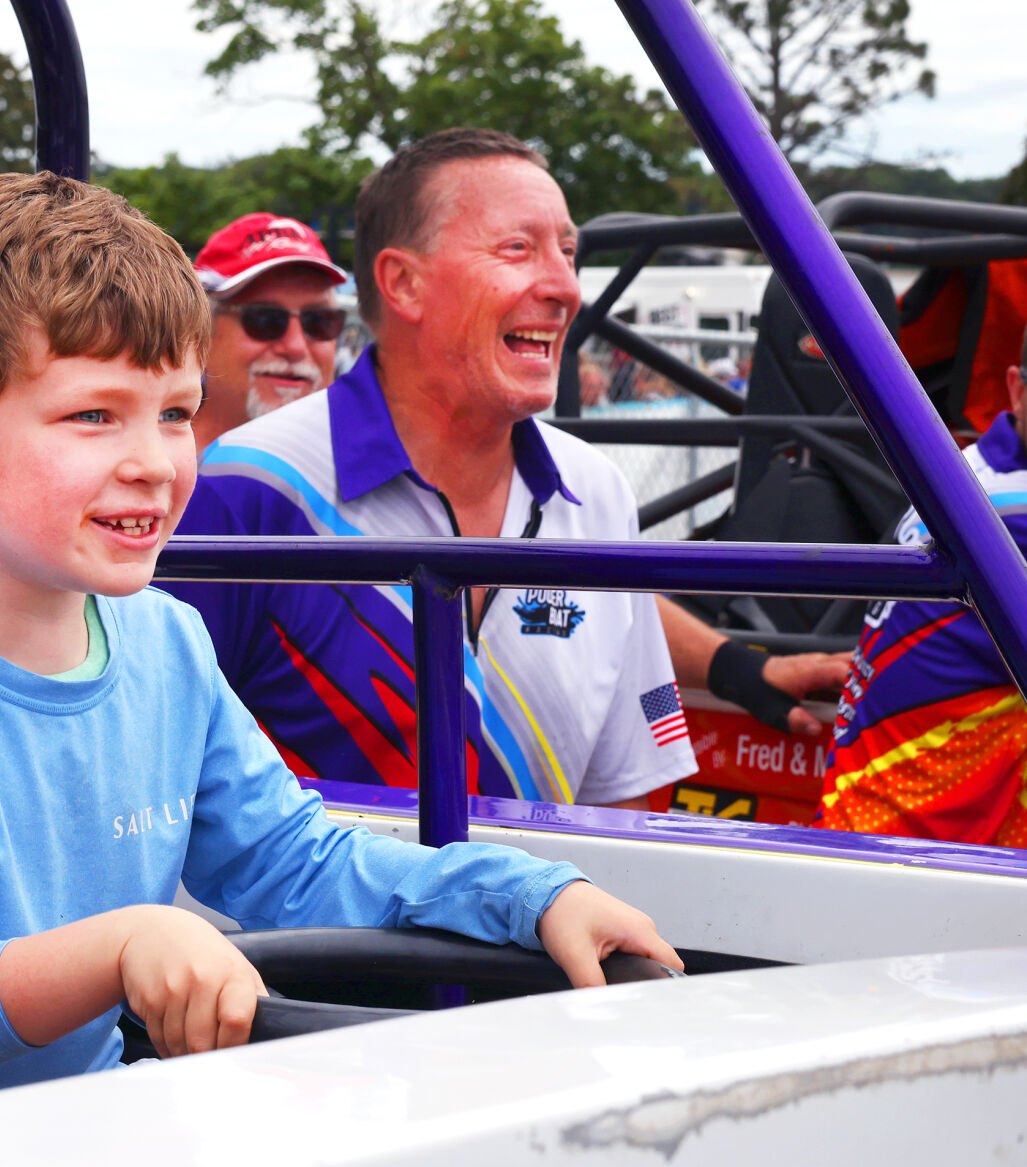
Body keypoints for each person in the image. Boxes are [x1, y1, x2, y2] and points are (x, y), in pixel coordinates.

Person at [0, 171, 681, 1143]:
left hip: (68, 1124)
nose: (154, 463)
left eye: (174, 413)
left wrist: (527, 895)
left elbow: (295, 863)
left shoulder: (164, 641)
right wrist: (124, 945)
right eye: (94, 416)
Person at [171, 128, 843, 809]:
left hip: (552, 883)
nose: (565, 287)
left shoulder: (595, 493)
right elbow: (159, 781)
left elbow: (627, 798)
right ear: (402, 284)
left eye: (568, 252)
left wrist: (731, 666)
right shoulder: (245, 487)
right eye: (517, 248)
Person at [817, 327, 1027, 846]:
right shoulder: (1014, 514)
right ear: (1017, 389)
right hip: (920, 849)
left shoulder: (970, 467)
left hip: (870, 818)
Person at [192, 214, 349, 453]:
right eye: (264, 320)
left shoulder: (376, 463)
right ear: (199, 333)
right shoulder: (149, 464)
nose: (295, 347)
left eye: (319, 321)